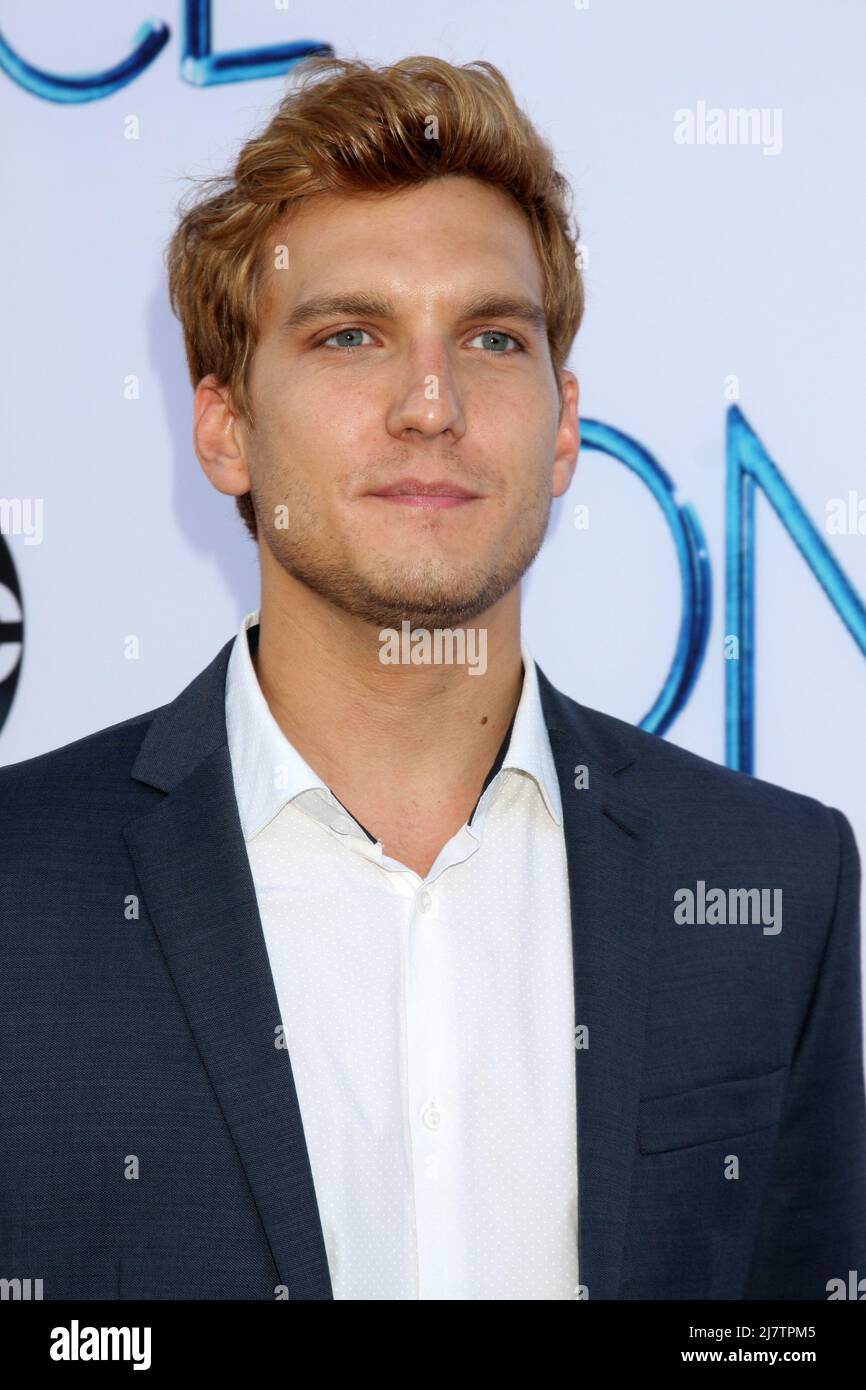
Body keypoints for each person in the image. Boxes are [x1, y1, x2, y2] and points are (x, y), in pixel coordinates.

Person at [1, 54, 864, 1302]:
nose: (431, 401)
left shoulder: (768, 881)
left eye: (490, 337)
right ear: (225, 428)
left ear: (562, 425)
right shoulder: (22, 889)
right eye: (350, 334)